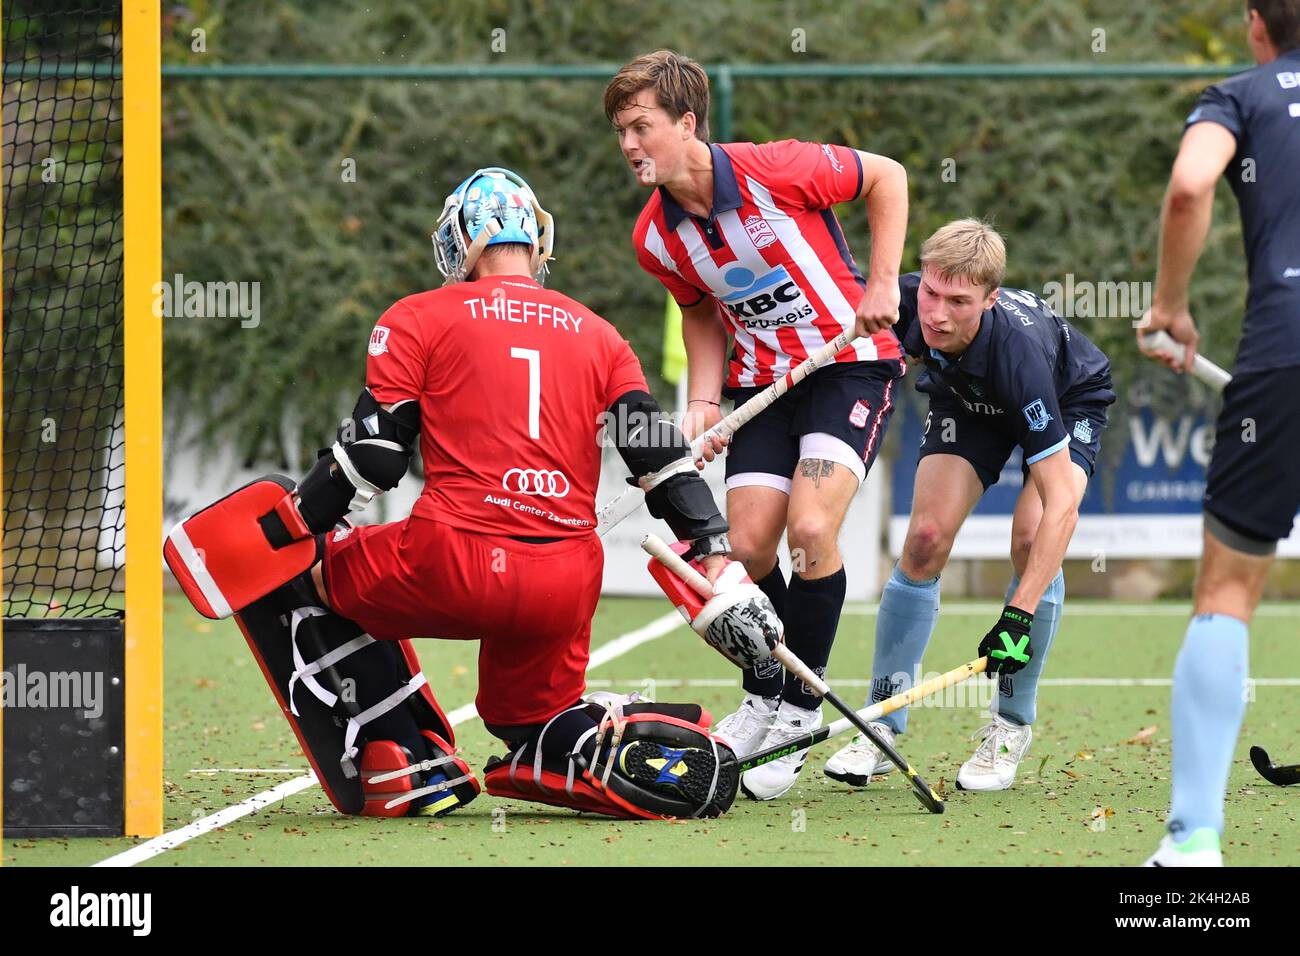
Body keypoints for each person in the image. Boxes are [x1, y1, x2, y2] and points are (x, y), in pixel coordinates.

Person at [168, 167, 782, 821]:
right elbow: (659, 459)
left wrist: (292, 521)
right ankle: (588, 744)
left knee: (300, 572)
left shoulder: (417, 317)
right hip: (565, 583)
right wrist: (714, 546)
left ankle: (399, 759)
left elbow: (372, 460)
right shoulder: (600, 335)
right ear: (538, 243)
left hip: (452, 559)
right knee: (525, 721)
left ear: (460, 240)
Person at [605, 49, 909, 800]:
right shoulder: (656, 238)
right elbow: (702, 313)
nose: (630, 144)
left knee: (811, 530)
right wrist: (705, 402)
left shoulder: (779, 168)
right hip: (762, 386)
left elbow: (889, 177)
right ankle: (767, 686)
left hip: (850, 363)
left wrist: (881, 282)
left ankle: (803, 712)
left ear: (687, 122)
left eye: (642, 126)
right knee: (740, 548)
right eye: (620, 131)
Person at [823, 219, 1114, 793]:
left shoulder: (1018, 355)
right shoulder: (901, 300)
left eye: (959, 302)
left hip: (1063, 397)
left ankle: (1009, 726)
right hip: (967, 400)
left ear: (990, 299)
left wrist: (1018, 615)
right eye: (932, 293)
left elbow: (1063, 505)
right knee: (925, 540)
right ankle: (880, 723)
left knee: (1032, 540)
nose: (937, 315)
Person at [1141, 0, 1300, 867]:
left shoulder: (1240, 96)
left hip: (1282, 359)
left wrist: (1170, 304)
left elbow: (1191, 185)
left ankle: (1195, 840)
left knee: (1227, 593)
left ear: (1255, 23)